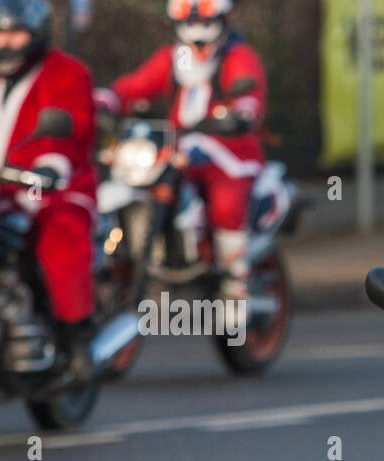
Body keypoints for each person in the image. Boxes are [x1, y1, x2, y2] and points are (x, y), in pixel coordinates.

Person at [95, 0, 266, 300]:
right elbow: (137, 84)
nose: (197, 31)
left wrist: (243, 112)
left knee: (226, 203)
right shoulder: (174, 59)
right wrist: (107, 99)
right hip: (180, 149)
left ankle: (234, 283)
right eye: (190, 22)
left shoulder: (237, 55)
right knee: (133, 175)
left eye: (204, 22)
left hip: (230, 152)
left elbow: (249, 94)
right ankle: (146, 254)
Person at [0, 0, 97, 382]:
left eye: (14, 34)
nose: (5, 43)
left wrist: (51, 164)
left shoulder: (67, 73)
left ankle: (75, 340)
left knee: (59, 240)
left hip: (50, 189)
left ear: (35, 35)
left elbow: (74, 125)